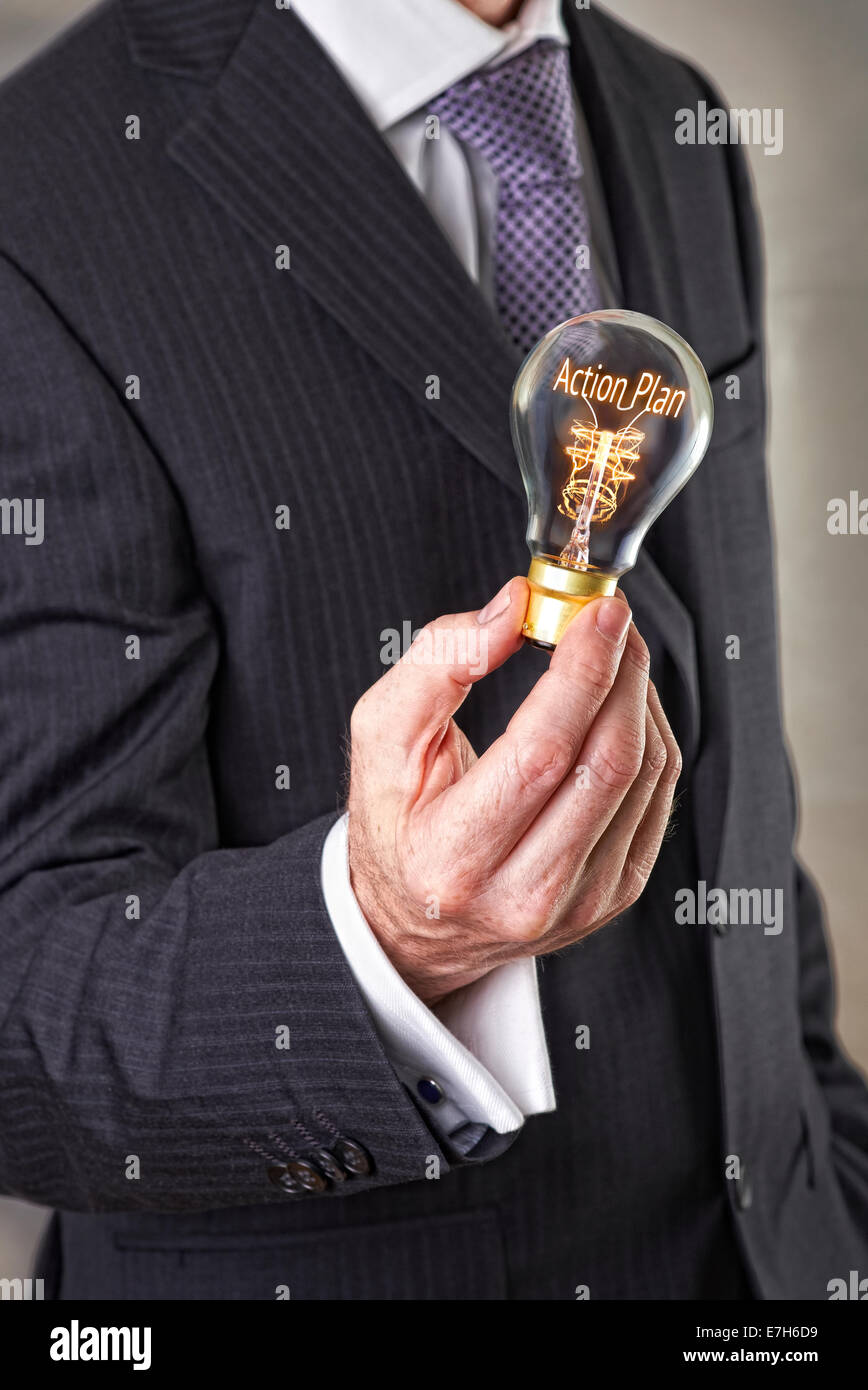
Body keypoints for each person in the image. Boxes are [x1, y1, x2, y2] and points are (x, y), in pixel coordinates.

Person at [0, 0, 865, 1301]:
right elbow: (25, 1009)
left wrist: (827, 1162)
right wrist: (389, 936)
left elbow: (725, 743)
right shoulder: (36, 189)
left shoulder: (670, 113)